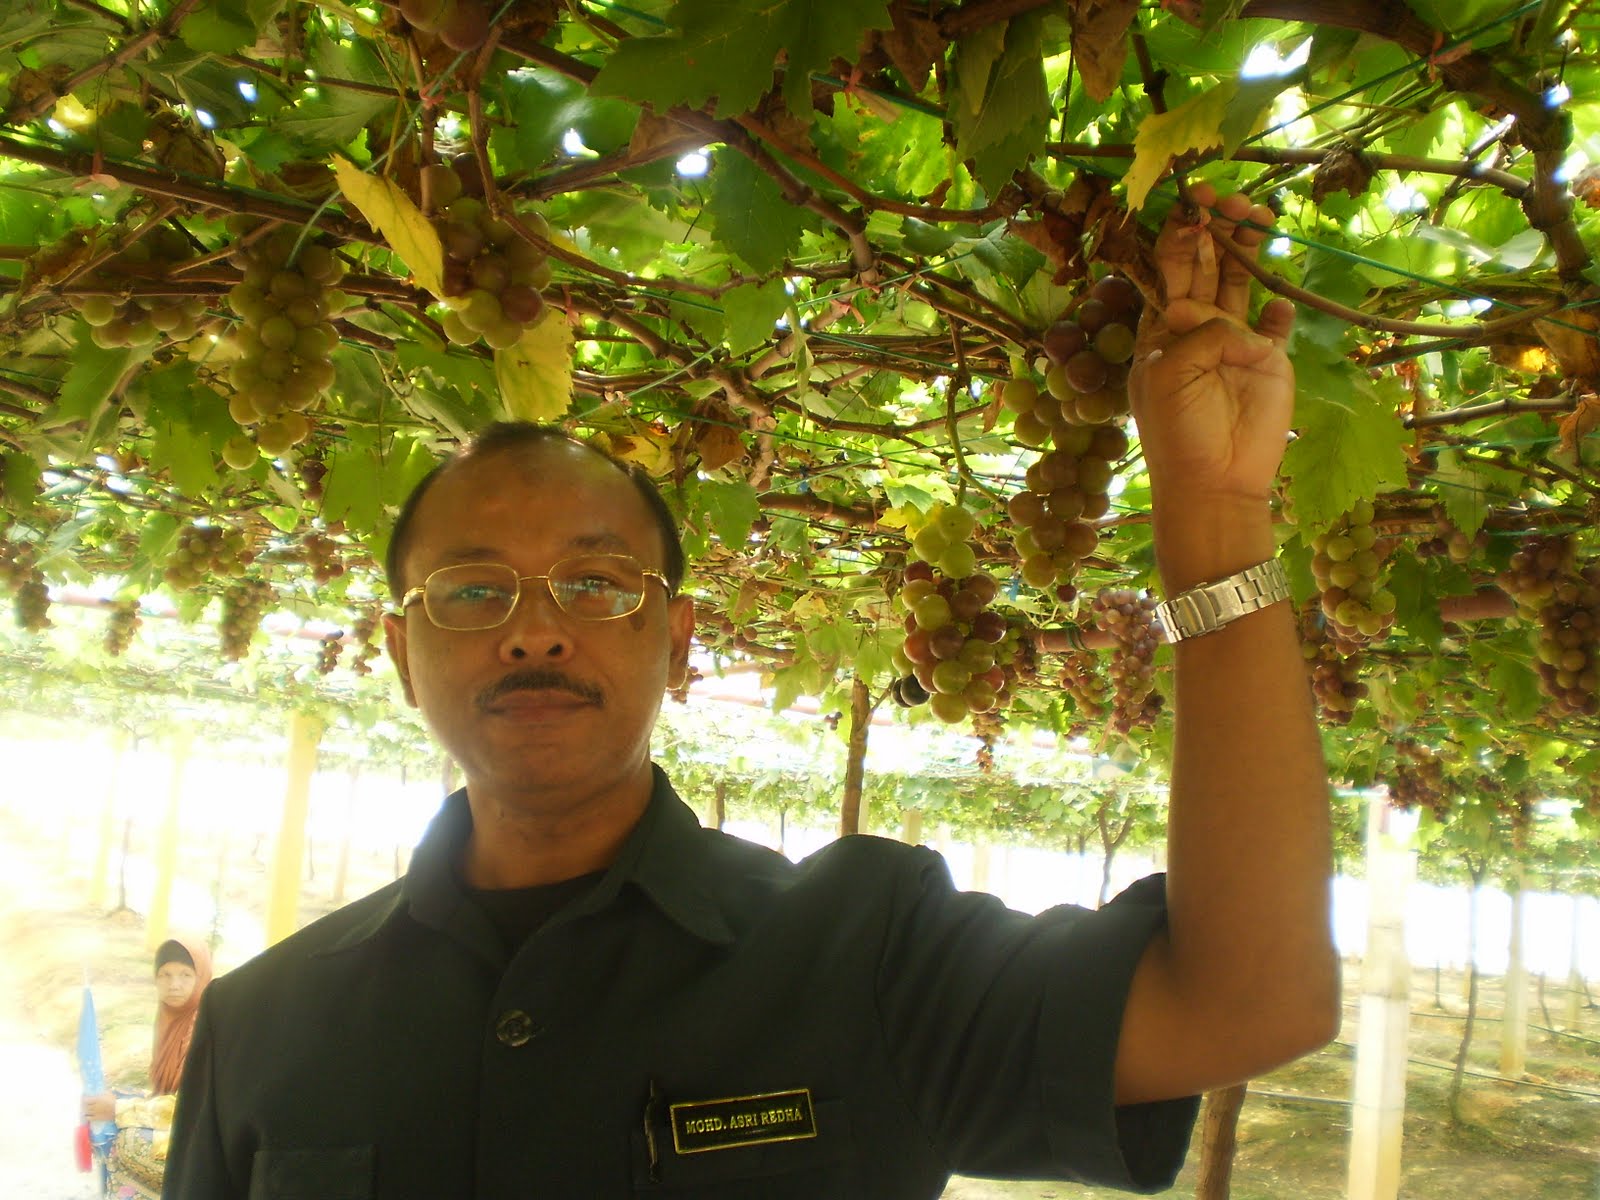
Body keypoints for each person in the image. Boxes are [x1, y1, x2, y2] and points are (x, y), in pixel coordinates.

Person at [164, 188, 1338, 1198]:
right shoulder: (257, 1025)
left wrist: (1217, 517)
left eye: (594, 583)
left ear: (679, 641)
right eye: (471, 596)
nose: (532, 634)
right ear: (397, 649)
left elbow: (1250, 1004)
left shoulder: (871, 947)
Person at [84, 936, 213, 1198]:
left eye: (186, 975)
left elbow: (190, 1105)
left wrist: (120, 1109)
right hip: (181, 1123)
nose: (173, 985)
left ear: (202, 977)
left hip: (205, 1143)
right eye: (165, 975)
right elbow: (164, 1095)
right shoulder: (171, 1018)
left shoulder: (206, 1027)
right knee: (97, 1105)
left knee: (123, 1142)